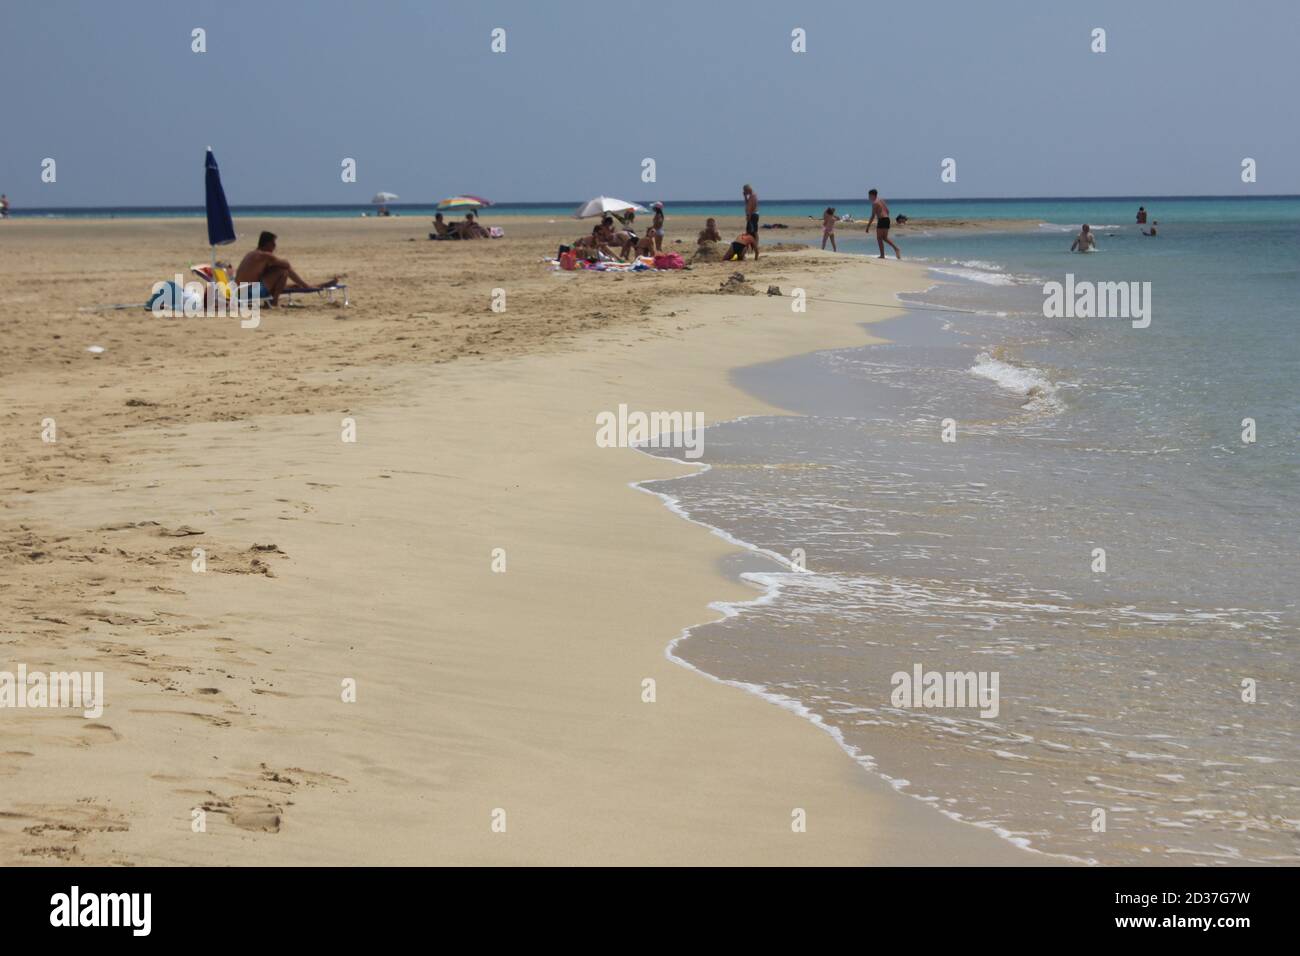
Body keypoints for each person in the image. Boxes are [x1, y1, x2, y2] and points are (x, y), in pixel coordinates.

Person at [235, 231, 340, 306]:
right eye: (273, 243)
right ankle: (275, 301)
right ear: (267, 244)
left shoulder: (253, 254)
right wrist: (278, 262)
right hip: (248, 293)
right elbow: (286, 264)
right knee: (283, 271)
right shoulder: (264, 255)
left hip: (240, 292)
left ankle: (313, 285)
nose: (275, 246)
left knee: (290, 283)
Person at [864, 188, 900, 259]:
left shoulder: (875, 203)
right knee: (884, 238)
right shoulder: (881, 200)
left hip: (882, 220)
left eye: (869, 196)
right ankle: (896, 248)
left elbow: (872, 216)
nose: (868, 197)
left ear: (872, 195)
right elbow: (888, 211)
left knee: (879, 238)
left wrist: (868, 227)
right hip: (887, 219)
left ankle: (882, 255)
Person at [743, 184, 759, 255]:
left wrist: (749, 215)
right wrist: (745, 197)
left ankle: (755, 248)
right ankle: (752, 248)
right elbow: (747, 204)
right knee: (750, 232)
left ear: (748, 190)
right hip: (751, 215)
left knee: (752, 232)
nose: (745, 192)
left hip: (752, 215)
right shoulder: (750, 196)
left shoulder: (753, 196)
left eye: (745, 191)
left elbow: (752, 207)